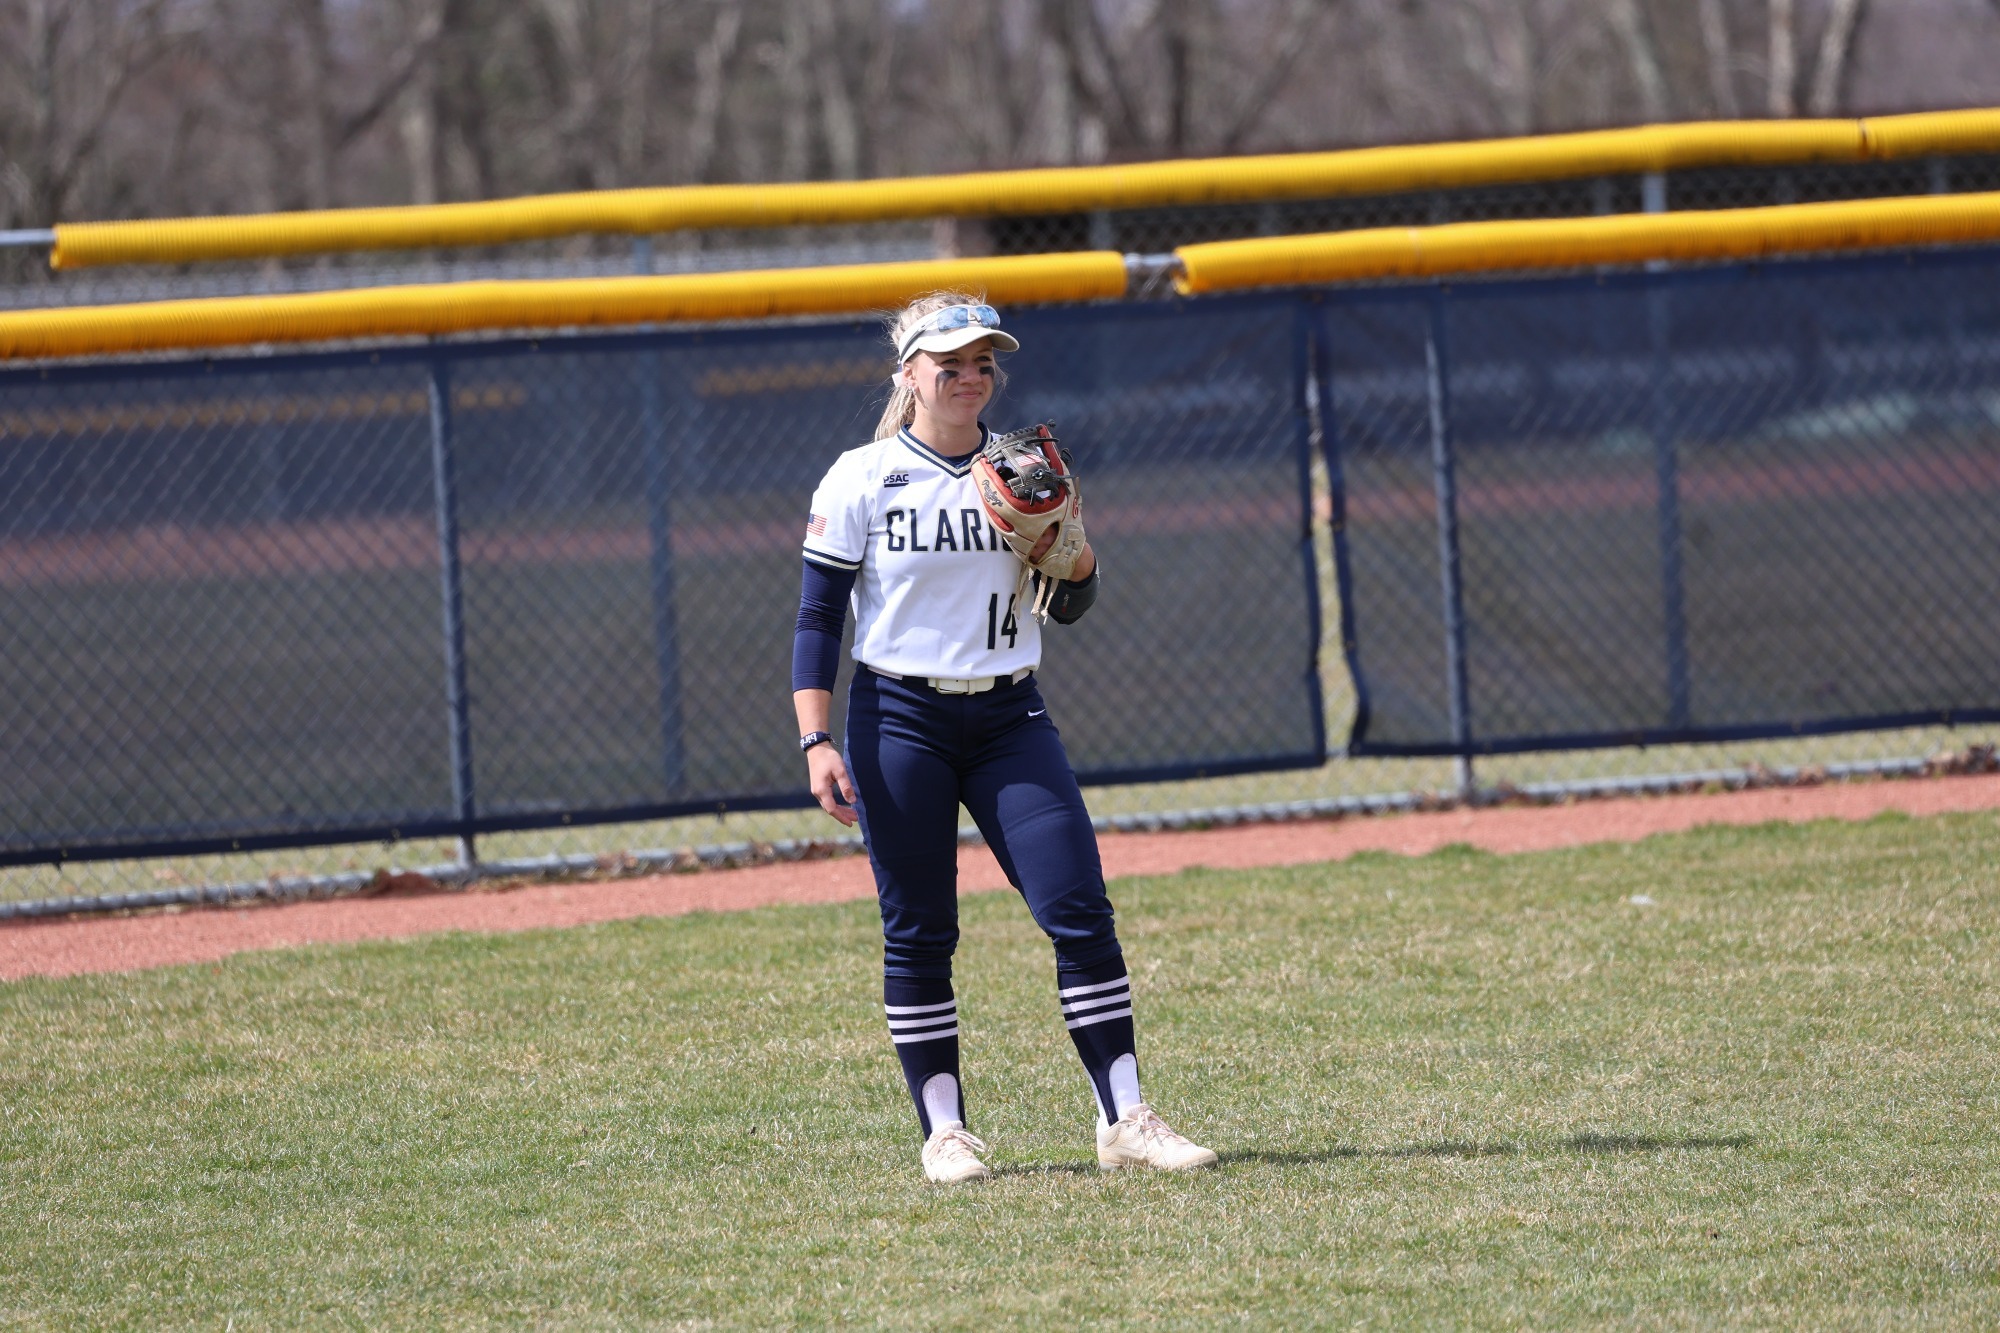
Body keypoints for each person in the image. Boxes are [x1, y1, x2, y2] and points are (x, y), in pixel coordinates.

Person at [790, 291, 1217, 1183]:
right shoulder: (862, 476)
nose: (970, 376)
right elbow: (818, 616)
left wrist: (1075, 548)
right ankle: (944, 1131)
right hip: (898, 718)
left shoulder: (1023, 468)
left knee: (1078, 907)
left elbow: (1073, 602)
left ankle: (1124, 1116)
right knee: (920, 930)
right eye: (949, 362)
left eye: (982, 361)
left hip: (1007, 718)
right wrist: (816, 739)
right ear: (909, 375)